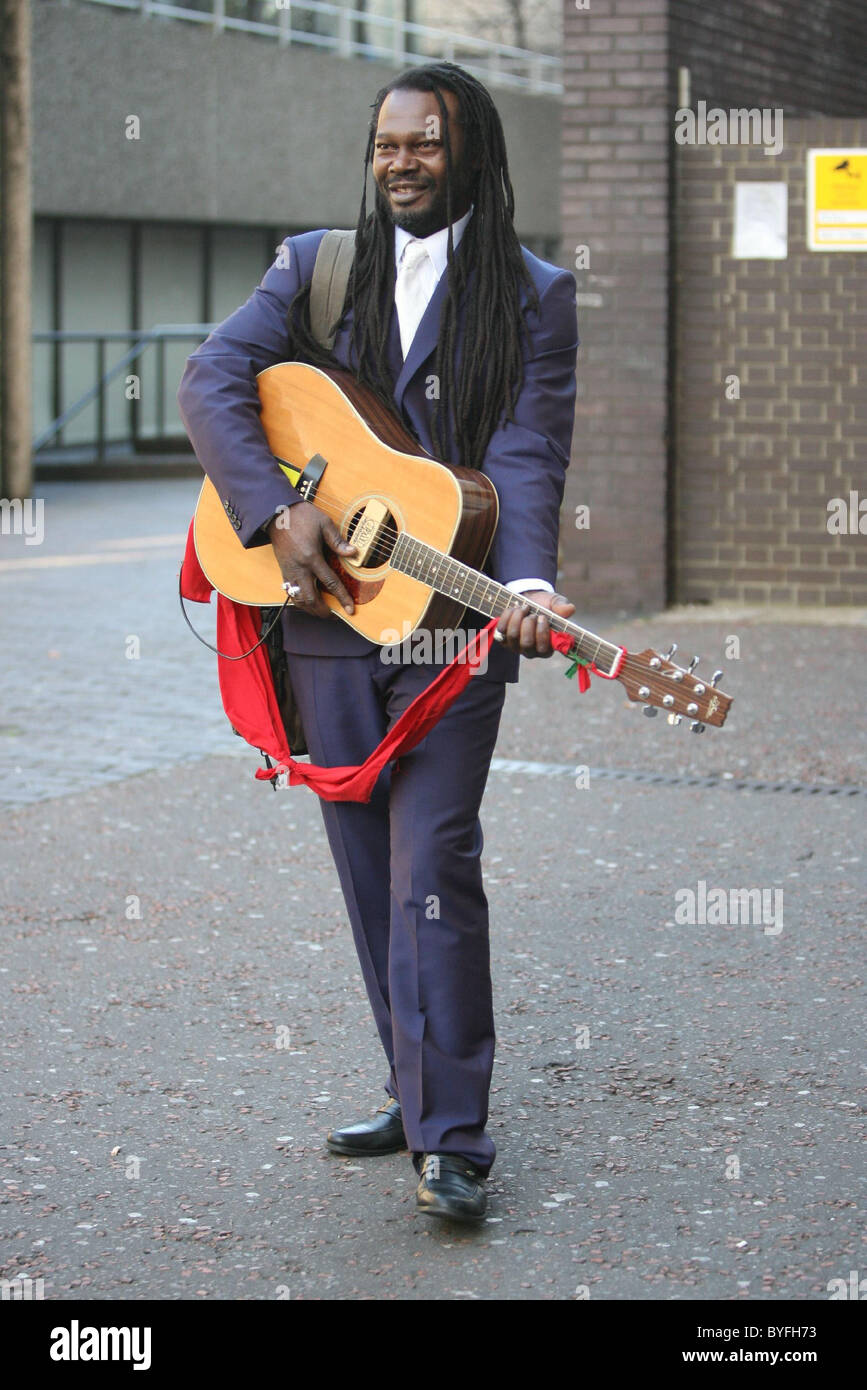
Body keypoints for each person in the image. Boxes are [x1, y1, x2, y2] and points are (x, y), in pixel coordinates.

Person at [177, 61, 579, 1224]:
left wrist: (532, 577)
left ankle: (454, 1137)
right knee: (365, 875)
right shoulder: (318, 267)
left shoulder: (538, 295)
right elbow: (214, 377)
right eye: (388, 143)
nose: (402, 161)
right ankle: (411, 1093)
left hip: (452, 628)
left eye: (429, 144)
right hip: (326, 615)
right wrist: (273, 509)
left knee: (434, 865)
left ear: (476, 155)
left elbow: (528, 453)